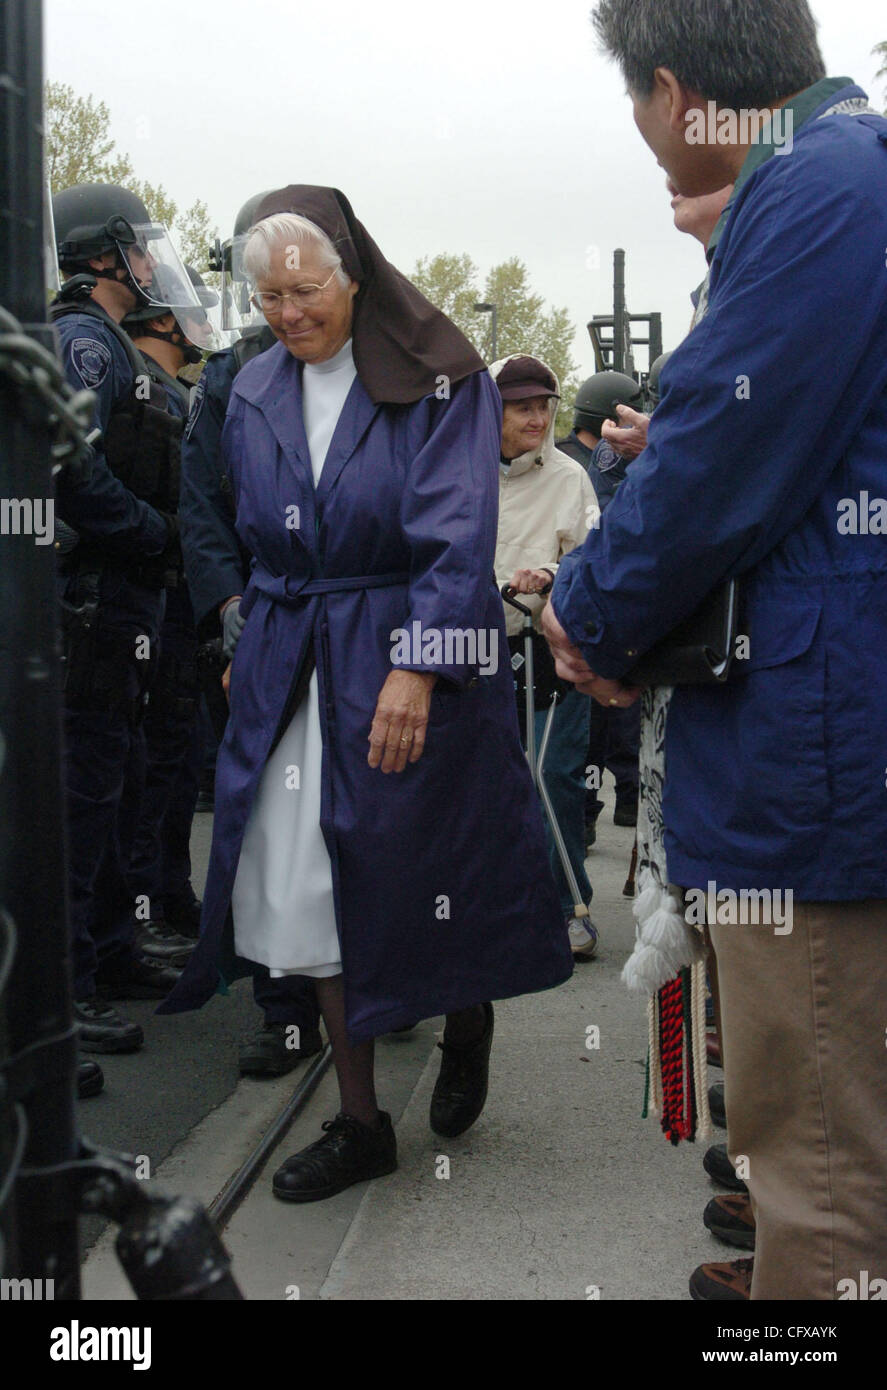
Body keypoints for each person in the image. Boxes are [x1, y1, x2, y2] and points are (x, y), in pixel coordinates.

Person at [545, 0, 887, 1301]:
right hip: (826, 744)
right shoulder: (837, 174)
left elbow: (714, 466)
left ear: (674, 91)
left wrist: (588, 613)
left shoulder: (813, 186)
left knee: (819, 1186)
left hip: (815, 767)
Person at [160, 185, 573, 1202]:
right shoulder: (251, 390)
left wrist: (414, 667)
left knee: (418, 862)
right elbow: (238, 526)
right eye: (268, 297)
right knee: (311, 886)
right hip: (297, 651)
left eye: (305, 290)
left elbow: (453, 530)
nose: (288, 313)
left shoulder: (438, 378)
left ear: (352, 274)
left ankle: (463, 1005)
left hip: (402, 648)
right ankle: (359, 1120)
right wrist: (244, 637)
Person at [50, 183, 201, 1055]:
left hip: (127, 606)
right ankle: (61, 990)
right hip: (96, 605)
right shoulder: (84, 345)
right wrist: (156, 534)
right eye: (137, 249)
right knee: (80, 797)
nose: (150, 265)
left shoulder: (111, 347)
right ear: (103, 255)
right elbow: (74, 469)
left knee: (119, 784)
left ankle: (108, 950)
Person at [178, 193, 323, 1077]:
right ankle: (286, 1007)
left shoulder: (381, 370)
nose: (287, 298)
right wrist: (231, 615)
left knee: (363, 814)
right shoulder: (231, 379)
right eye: (268, 282)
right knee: (267, 819)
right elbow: (200, 508)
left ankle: (383, 985)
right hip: (264, 629)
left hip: (355, 629)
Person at [490, 354, 600, 959]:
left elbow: (595, 557)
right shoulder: (459, 471)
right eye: (521, 406)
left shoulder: (570, 476)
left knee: (549, 778)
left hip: (547, 649)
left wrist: (552, 574)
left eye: (543, 405)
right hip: (473, 654)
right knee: (483, 788)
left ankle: (570, 911)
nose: (537, 417)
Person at [558, 371, 645, 837]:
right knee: (619, 718)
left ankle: (589, 814)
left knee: (592, 726)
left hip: (582, 606)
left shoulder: (568, 458)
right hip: (602, 605)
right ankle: (624, 800)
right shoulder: (608, 464)